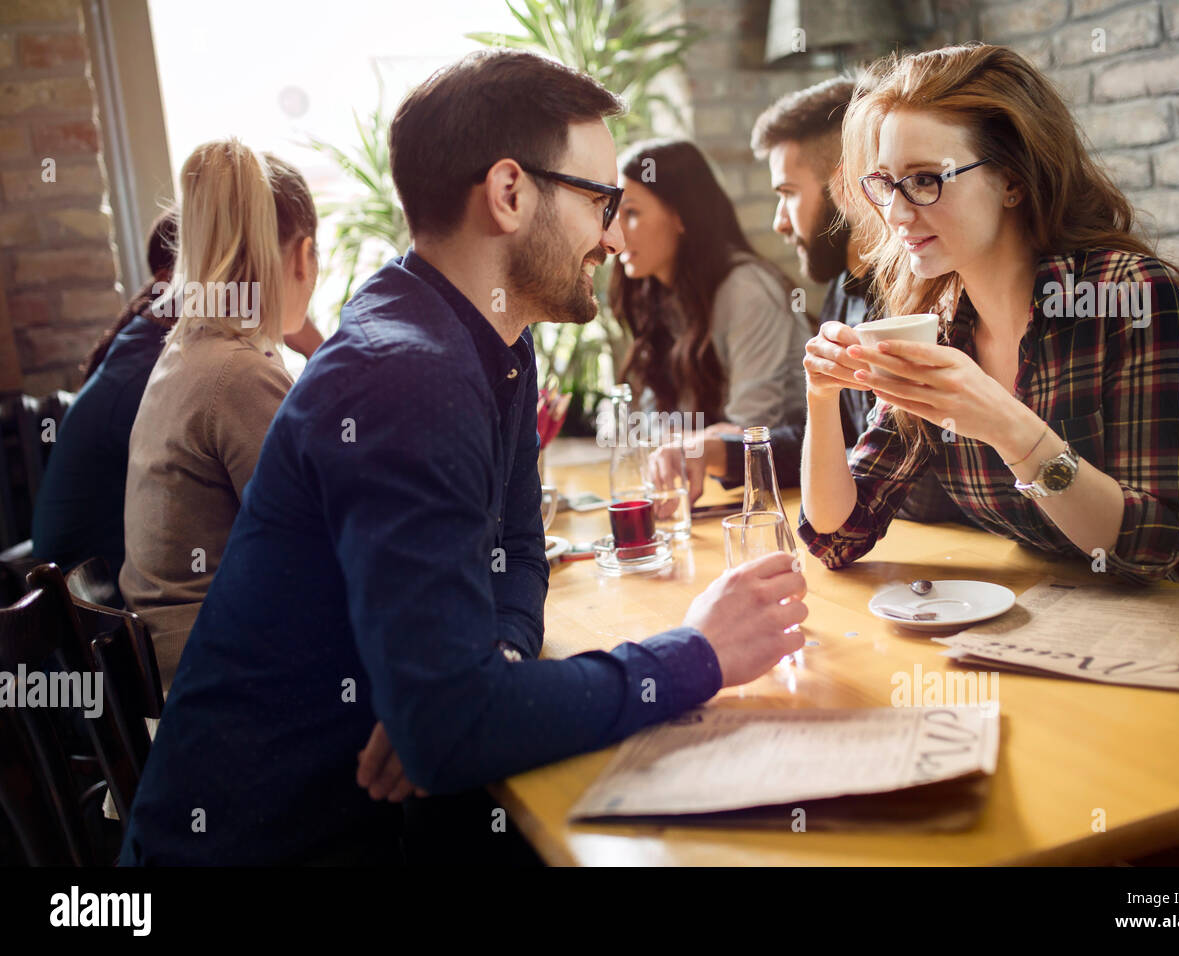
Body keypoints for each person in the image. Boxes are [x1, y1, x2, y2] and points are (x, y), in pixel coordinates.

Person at [120, 49, 807, 866]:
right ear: (510, 193)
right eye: (602, 200)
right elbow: (449, 733)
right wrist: (698, 653)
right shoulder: (404, 373)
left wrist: (486, 679)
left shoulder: (489, 340)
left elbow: (517, 554)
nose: (609, 233)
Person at [799, 43, 1179, 613]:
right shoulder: (938, 324)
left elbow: (1152, 545)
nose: (894, 213)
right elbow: (838, 536)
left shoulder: (1121, 293)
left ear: (1012, 180)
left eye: (924, 180)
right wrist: (821, 394)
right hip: (1097, 614)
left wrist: (1007, 427)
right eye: (886, 183)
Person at [658, 75, 966, 524]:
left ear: (842, 188)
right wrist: (728, 450)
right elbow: (835, 436)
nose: (780, 223)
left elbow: (923, 481)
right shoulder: (847, 286)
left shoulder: (924, 293)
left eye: (787, 194)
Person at [118, 142, 322, 687]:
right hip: (222, 683)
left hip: (177, 665)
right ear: (303, 257)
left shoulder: (192, 350)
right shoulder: (239, 374)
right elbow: (317, 544)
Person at [610, 139, 807, 436]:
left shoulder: (746, 290)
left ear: (680, 216)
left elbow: (749, 428)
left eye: (632, 213)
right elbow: (654, 424)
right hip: (717, 475)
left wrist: (677, 444)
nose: (615, 230)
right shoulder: (658, 294)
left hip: (783, 474)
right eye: (613, 214)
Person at [30, 208, 178, 583]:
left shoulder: (144, 346)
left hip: (96, 594)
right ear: (167, 280)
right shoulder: (148, 374)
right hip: (98, 616)